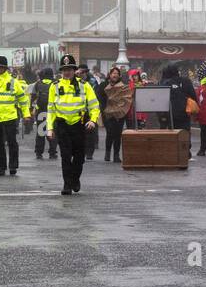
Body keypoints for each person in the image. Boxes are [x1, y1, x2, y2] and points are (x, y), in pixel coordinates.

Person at [47, 54, 101, 195]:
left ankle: (75, 179)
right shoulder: (55, 86)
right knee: (65, 156)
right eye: (64, 69)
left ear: (74, 70)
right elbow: (51, 109)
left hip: (79, 124)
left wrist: (93, 120)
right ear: (61, 71)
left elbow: (94, 106)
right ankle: (67, 184)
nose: (67, 72)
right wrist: (50, 128)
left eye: (70, 69)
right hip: (62, 125)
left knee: (79, 157)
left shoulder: (84, 86)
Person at [101, 66, 132, 163]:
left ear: (119, 75)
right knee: (110, 133)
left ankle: (116, 155)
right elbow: (100, 98)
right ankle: (107, 153)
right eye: (113, 73)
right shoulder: (103, 85)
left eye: (117, 73)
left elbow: (127, 99)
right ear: (109, 75)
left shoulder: (123, 87)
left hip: (120, 114)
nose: (115, 75)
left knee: (118, 134)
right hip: (108, 114)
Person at [31, 68, 58, 161]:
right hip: (52, 112)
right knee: (52, 131)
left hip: (40, 112)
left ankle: (39, 153)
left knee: (40, 132)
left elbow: (33, 97)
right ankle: (52, 153)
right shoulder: (56, 83)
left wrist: (31, 109)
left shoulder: (38, 83)